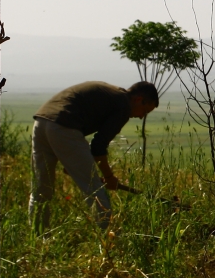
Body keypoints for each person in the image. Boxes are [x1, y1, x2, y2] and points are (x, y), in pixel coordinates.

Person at [29, 80, 158, 230]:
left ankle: (38, 235)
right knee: (94, 189)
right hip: (63, 126)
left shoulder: (113, 95)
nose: (141, 117)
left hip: (41, 122)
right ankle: (105, 235)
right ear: (138, 99)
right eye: (145, 111)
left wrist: (73, 163)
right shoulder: (123, 105)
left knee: (41, 188)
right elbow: (98, 147)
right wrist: (109, 177)